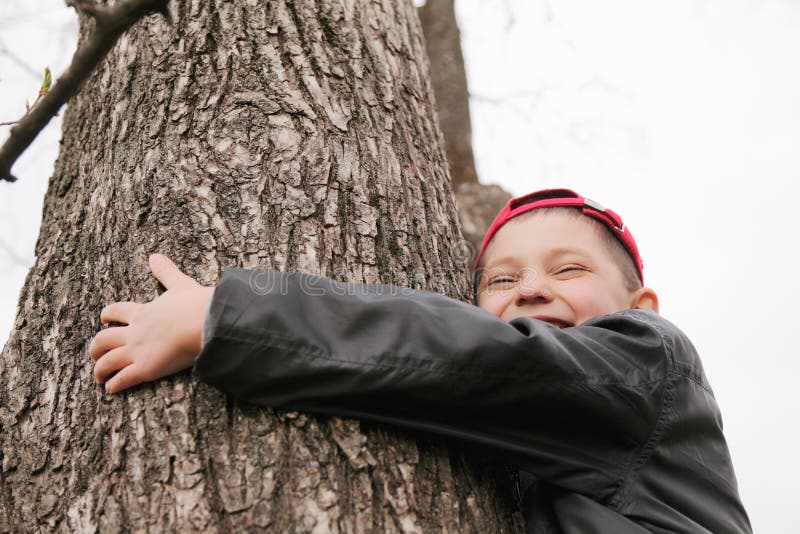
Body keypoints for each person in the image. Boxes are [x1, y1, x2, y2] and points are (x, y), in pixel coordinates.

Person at [88, 188, 751, 533]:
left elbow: (480, 358)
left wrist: (225, 317)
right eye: (500, 281)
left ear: (643, 303)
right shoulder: (525, 455)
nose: (529, 288)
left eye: (569, 267)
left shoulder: (651, 363)